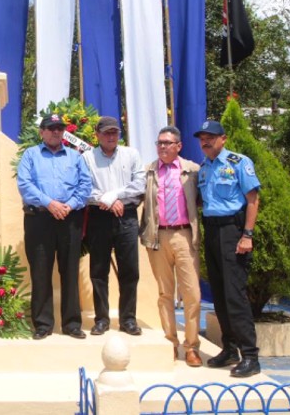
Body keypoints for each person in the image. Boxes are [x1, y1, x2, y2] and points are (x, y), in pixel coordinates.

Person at [194, 120, 261, 378]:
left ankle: (251, 356)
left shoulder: (238, 162)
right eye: (202, 137)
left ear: (223, 138)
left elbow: (253, 200)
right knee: (219, 295)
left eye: (210, 136)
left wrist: (247, 235)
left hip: (233, 232)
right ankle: (230, 349)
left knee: (235, 295)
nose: (205, 141)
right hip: (212, 231)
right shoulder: (203, 169)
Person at [17, 113, 91, 340]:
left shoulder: (75, 157)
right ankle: (42, 324)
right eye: (50, 128)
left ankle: (71, 324)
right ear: (42, 132)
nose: (55, 132)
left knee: (69, 271)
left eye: (59, 128)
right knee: (40, 272)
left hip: (69, 219)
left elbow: (85, 185)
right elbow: (24, 184)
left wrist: (68, 206)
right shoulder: (30, 155)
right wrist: (50, 204)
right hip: (39, 219)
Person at [139, 127, 202, 366]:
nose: (163, 146)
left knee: (192, 294)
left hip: (185, 235)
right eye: (160, 143)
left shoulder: (192, 170)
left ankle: (192, 347)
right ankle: (171, 343)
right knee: (165, 293)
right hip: (158, 237)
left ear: (179, 146)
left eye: (168, 143)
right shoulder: (147, 172)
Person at [82, 116, 145, 336]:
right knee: (98, 271)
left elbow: (139, 184)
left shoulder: (131, 154)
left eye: (115, 133)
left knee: (130, 270)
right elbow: (84, 189)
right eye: (107, 133)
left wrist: (114, 196)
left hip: (126, 216)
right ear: (97, 135)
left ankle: (128, 319)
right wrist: (108, 202)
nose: (111, 136)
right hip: (100, 217)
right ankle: (101, 319)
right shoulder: (87, 157)